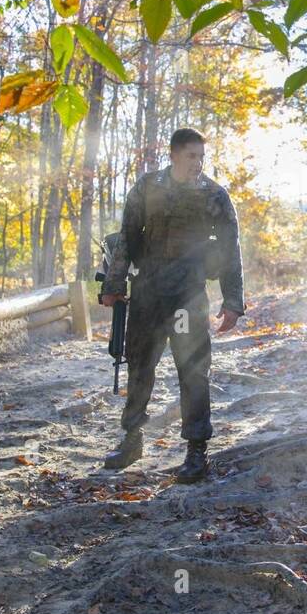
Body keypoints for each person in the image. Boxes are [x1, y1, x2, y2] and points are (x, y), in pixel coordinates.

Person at [99, 128, 245, 483]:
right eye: (191, 156)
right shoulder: (148, 187)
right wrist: (113, 285)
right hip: (147, 292)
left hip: (188, 297)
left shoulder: (214, 195)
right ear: (174, 155)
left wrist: (233, 301)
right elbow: (127, 237)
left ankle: (196, 451)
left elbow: (229, 248)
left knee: (193, 371)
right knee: (139, 365)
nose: (197, 163)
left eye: (201, 156)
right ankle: (132, 439)